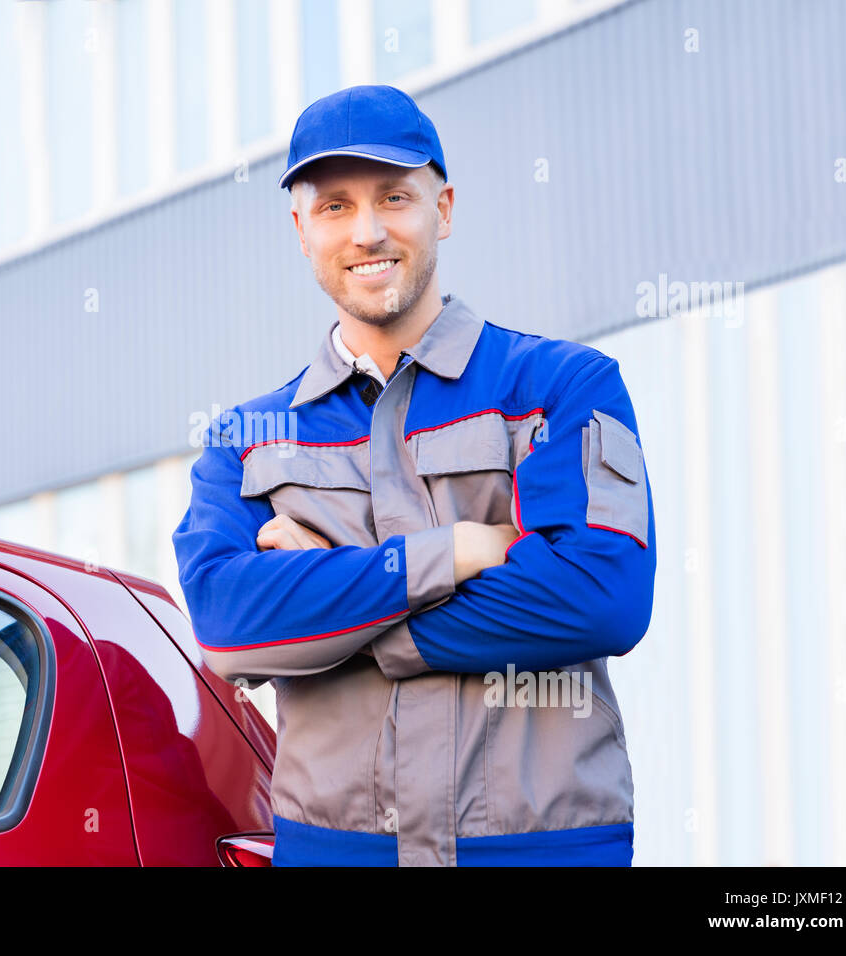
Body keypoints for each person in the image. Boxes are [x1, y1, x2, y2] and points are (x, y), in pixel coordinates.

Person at [172, 84, 656, 866]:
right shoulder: (245, 440)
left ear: (445, 208)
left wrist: (327, 616)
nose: (368, 231)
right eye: (334, 206)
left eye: (395, 197)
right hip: (335, 851)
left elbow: (601, 599)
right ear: (300, 229)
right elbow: (226, 627)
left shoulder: (563, 388)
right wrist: (461, 550)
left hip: (541, 850)